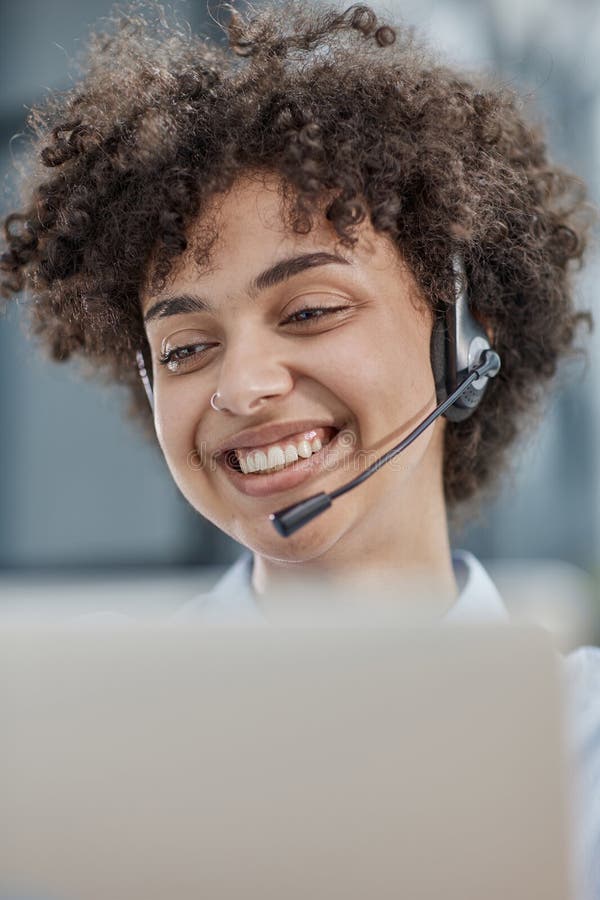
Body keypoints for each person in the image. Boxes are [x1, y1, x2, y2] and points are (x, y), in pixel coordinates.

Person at [1, 0, 598, 893]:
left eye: (311, 311)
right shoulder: (66, 734)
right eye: (186, 350)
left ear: (466, 336)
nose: (240, 389)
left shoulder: (583, 739)